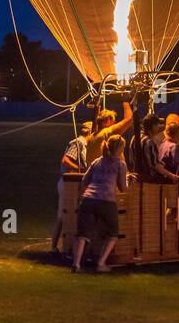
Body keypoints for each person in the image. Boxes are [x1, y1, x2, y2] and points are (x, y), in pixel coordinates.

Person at [72, 133, 128, 272]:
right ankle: (101, 263)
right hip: (106, 201)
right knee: (113, 234)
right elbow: (122, 187)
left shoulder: (97, 161)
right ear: (120, 148)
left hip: (88, 199)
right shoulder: (120, 165)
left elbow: (84, 181)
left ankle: (76, 264)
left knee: (82, 234)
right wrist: (129, 179)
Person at [50, 120, 92, 254]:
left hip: (72, 183)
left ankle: (67, 244)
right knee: (62, 215)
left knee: (67, 214)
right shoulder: (78, 143)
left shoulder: (83, 144)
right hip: (67, 182)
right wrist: (80, 168)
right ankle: (54, 246)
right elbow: (65, 160)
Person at [85, 97, 134, 164]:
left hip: (97, 173)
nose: (115, 123)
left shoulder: (91, 137)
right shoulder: (107, 132)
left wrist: (97, 107)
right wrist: (125, 101)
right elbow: (129, 119)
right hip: (109, 173)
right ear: (108, 120)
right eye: (113, 121)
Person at [139, 113, 172, 182]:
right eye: (157, 124)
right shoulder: (149, 142)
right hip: (150, 179)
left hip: (138, 176)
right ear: (153, 126)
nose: (159, 127)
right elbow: (156, 166)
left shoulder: (135, 138)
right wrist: (172, 176)